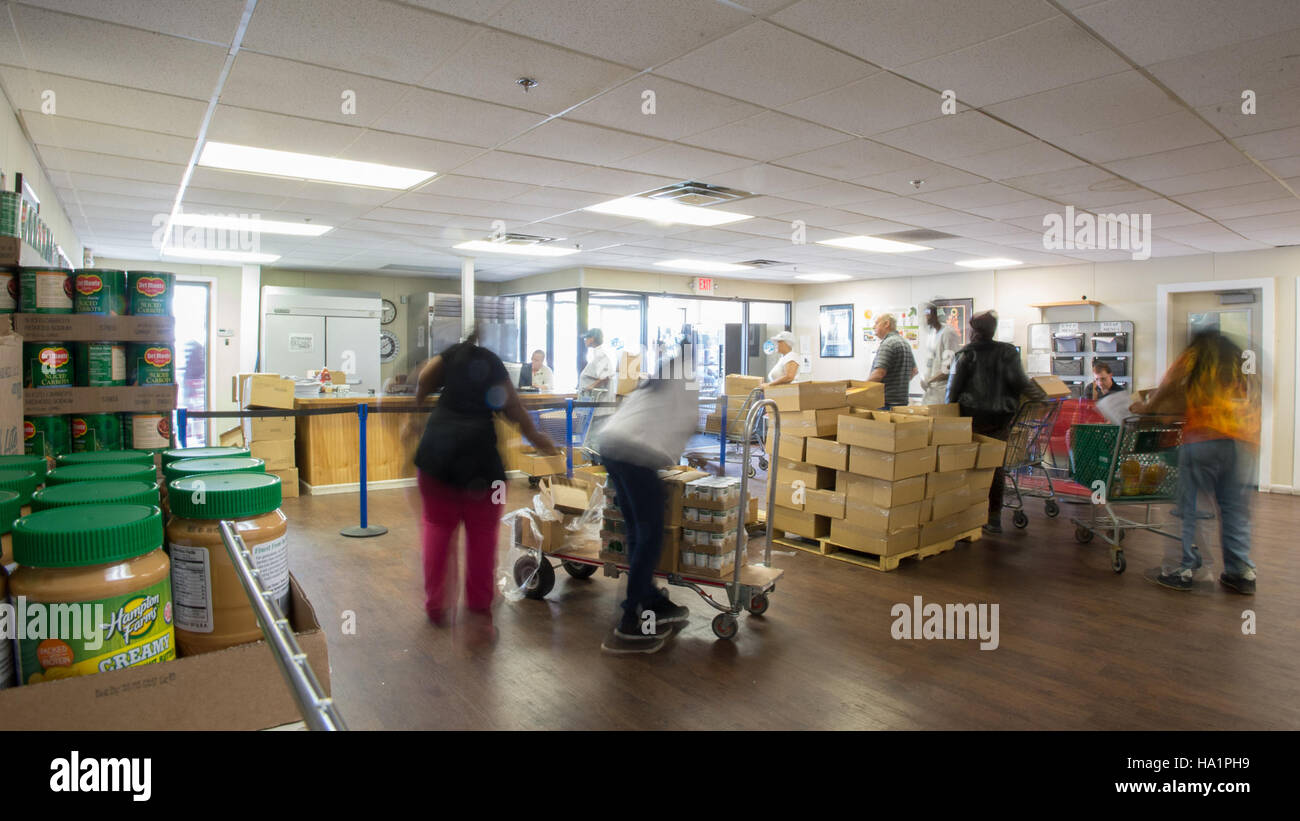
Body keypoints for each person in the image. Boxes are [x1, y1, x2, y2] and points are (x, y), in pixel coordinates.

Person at [413, 333, 558, 640]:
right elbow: (514, 408)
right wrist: (539, 439)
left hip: (435, 457)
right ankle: (479, 615)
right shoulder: (491, 362)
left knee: (437, 529)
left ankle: (436, 605)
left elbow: (423, 382)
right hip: (481, 464)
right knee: (482, 538)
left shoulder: (448, 359)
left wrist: (415, 413)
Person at [1132, 330, 1259, 594]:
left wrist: (1145, 408)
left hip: (1202, 437)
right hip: (1241, 440)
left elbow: (1166, 390)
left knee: (1188, 506)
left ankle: (1185, 569)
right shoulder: (1238, 359)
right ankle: (1241, 573)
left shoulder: (1194, 356)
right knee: (1235, 510)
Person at [597, 356, 699, 654]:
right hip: (635, 455)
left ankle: (650, 597)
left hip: (611, 446)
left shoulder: (653, 383)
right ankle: (633, 617)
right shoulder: (685, 382)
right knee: (651, 534)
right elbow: (689, 421)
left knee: (636, 531)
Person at [945, 311, 1047, 534]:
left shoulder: (965, 354)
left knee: (968, 466)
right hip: (1000, 419)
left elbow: (952, 392)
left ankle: (967, 514)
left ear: (973, 330)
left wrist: (946, 418)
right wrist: (1043, 398)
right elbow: (1021, 383)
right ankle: (993, 517)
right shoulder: (1008, 352)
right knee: (996, 467)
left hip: (970, 419)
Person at [868, 313, 918, 408]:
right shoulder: (905, 343)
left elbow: (879, 374)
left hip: (886, 402)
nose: (873, 327)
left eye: (877, 323)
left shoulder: (888, 343)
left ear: (886, 324)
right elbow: (914, 371)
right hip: (902, 402)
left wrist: (862, 389)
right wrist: (899, 384)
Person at [920, 303, 961, 405]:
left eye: (928, 314)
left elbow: (949, 367)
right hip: (931, 388)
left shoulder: (948, 333)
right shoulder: (932, 334)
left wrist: (930, 380)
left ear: (935, 315)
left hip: (942, 389)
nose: (925, 317)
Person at [578, 328, 614, 398]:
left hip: (598, 400)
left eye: (586, 338)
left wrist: (591, 386)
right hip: (591, 398)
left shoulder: (600, 354)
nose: (585, 341)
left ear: (592, 339)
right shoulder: (596, 354)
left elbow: (605, 376)